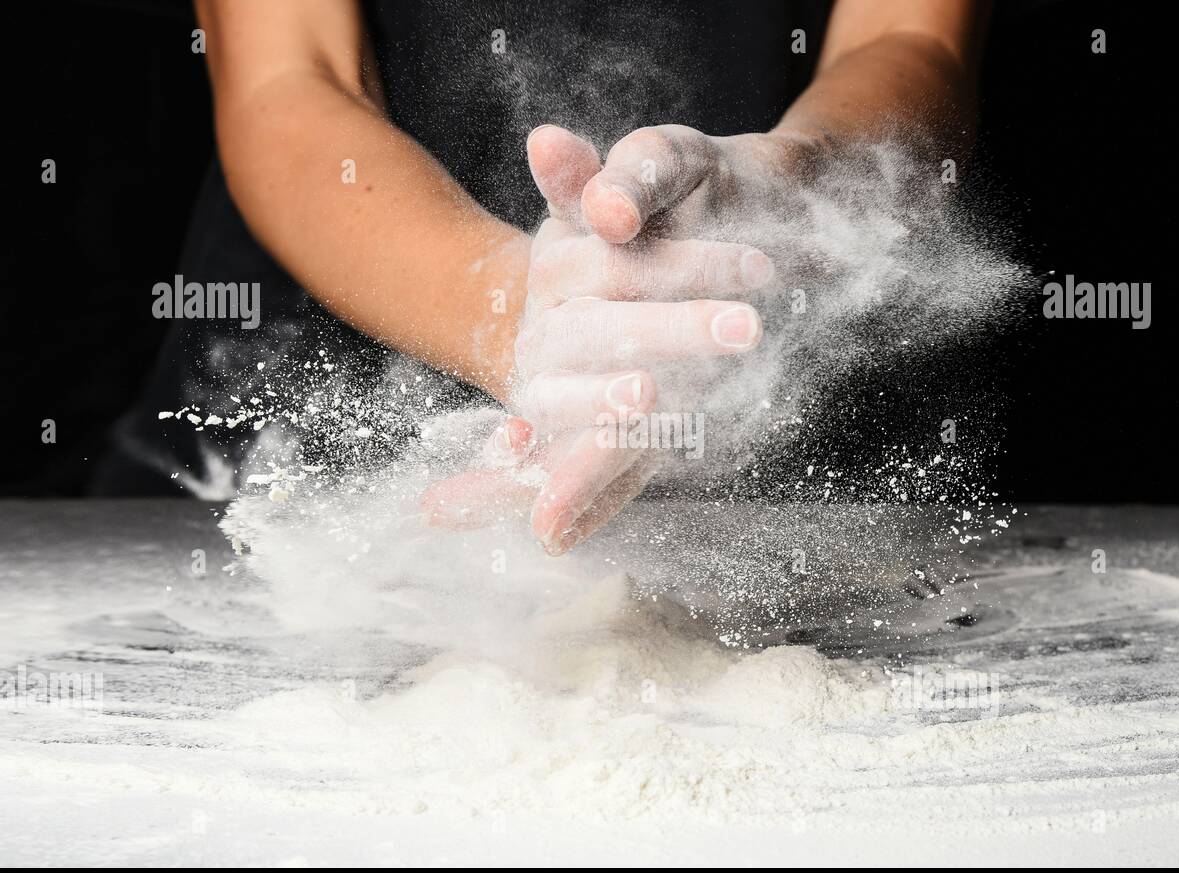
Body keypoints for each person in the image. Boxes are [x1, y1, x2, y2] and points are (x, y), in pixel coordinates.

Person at [97, 0, 989, 555]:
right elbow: (288, 80)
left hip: (788, 475)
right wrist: (515, 312)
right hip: (294, 471)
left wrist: (778, 193)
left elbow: (910, 35)